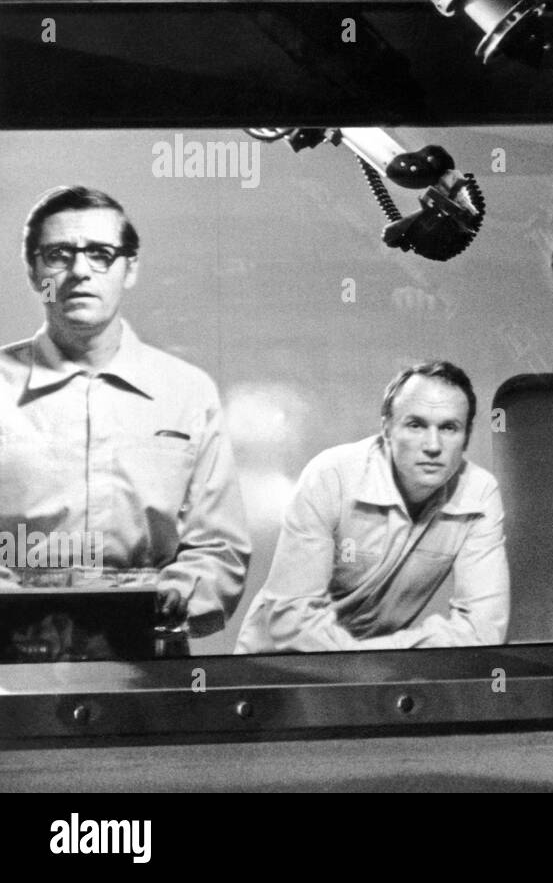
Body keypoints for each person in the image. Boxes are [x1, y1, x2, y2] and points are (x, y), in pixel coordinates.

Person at [0, 186, 250, 639]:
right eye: (58, 254)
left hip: (148, 650)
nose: (79, 271)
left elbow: (219, 545)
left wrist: (177, 597)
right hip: (11, 649)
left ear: (129, 268)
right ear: (35, 272)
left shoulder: (187, 391)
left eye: (100, 253)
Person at [236, 360, 509, 651]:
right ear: (386, 429)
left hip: (378, 676)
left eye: (449, 428)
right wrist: (389, 658)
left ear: (466, 437)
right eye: (415, 425)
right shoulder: (331, 476)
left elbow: (482, 631)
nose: (432, 445)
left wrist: (377, 663)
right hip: (274, 666)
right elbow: (294, 623)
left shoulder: (480, 493)